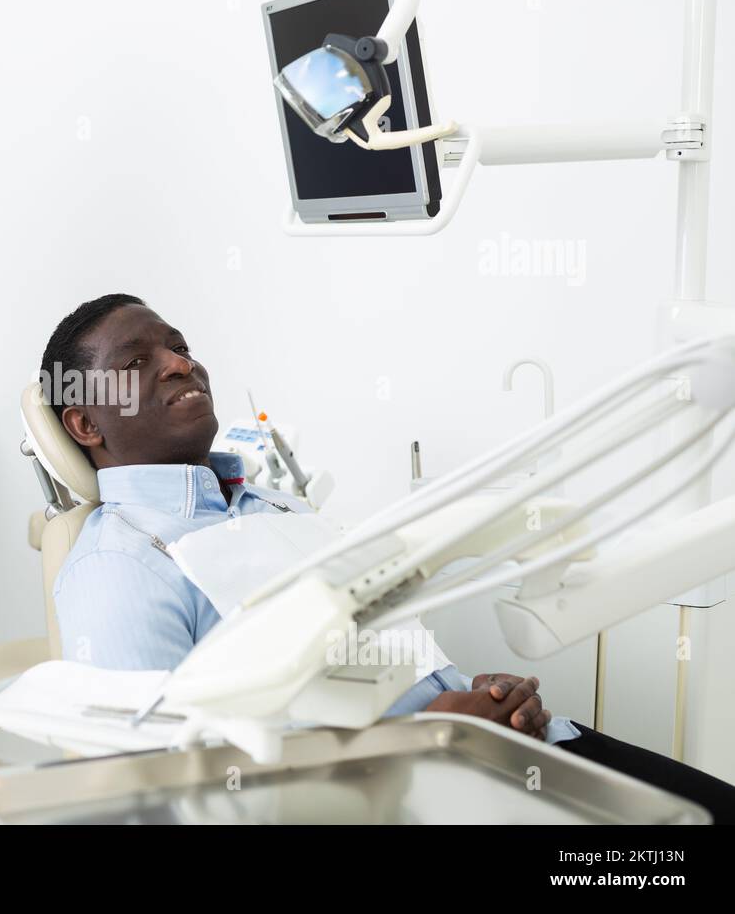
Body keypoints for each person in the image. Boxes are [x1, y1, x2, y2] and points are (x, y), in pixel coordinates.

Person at [39, 293, 735, 821]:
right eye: (139, 362)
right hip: (412, 800)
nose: (180, 363)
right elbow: (164, 796)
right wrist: (436, 734)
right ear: (85, 422)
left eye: (179, 346)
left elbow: (381, 666)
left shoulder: (274, 508)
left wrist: (479, 697)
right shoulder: (119, 567)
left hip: (518, 753)